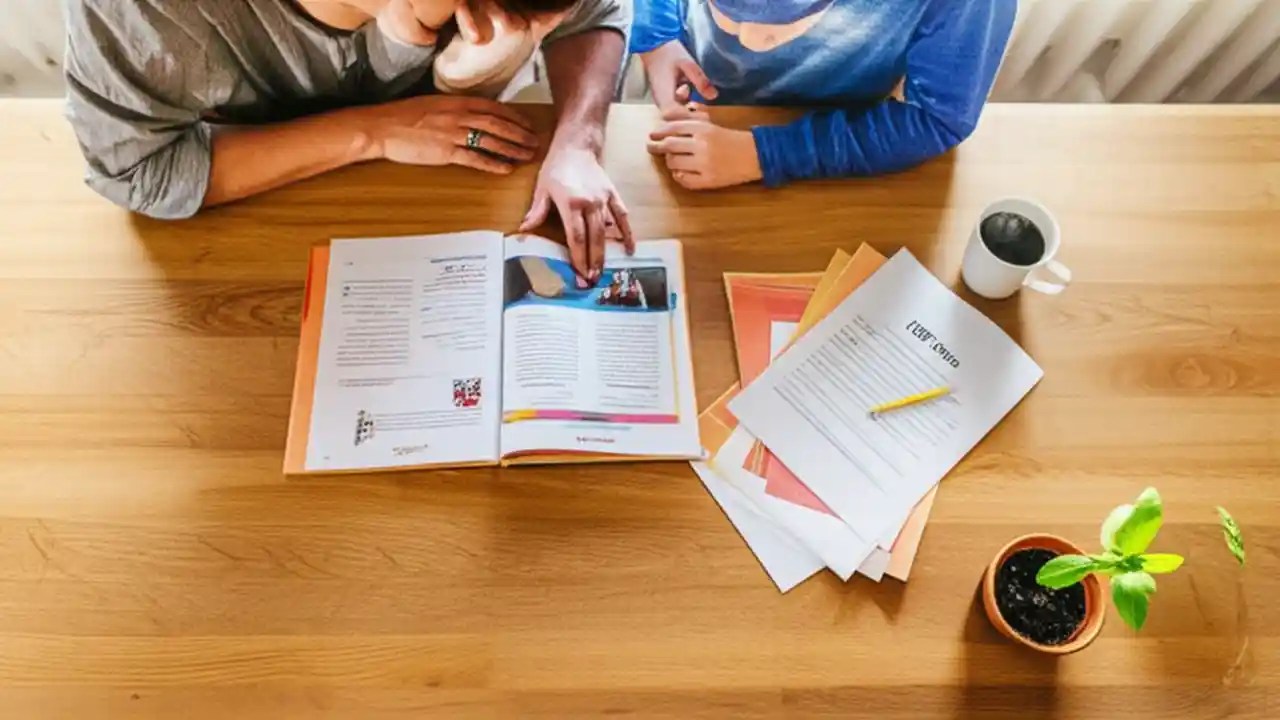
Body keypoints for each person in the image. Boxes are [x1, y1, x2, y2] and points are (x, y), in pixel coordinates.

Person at [64, 0, 634, 281]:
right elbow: (142, 170)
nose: (501, 39)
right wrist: (374, 131)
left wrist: (578, 139)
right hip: (255, 242)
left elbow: (598, 11)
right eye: (480, 21)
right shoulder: (147, 12)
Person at [633, 0, 1016, 190]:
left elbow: (938, 118)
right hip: (704, 107)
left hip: (834, 133)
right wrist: (657, 37)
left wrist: (766, 154)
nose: (746, 37)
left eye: (775, 29)